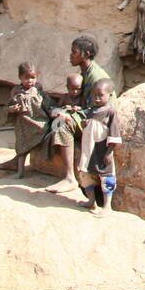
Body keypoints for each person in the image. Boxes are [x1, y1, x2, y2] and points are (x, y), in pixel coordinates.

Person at [45, 36, 111, 194]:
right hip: (86, 114)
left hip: (99, 122)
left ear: (85, 54)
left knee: (62, 124)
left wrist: (72, 115)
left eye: (74, 52)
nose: (71, 55)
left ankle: (70, 178)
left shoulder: (96, 76)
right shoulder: (84, 73)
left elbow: (101, 108)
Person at [0, 62, 56, 177]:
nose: (30, 81)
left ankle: (15, 165)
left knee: (43, 136)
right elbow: (7, 107)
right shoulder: (17, 92)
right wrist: (12, 109)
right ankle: (20, 171)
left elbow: (49, 105)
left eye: (33, 78)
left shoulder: (38, 91)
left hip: (39, 124)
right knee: (21, 147)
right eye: (26, 78)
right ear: (20, 77)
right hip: (23, 126)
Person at [76, 77, 121, 216]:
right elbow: (87, 124)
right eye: (94, 95)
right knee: (85, 174)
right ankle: (91, 201)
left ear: (110, 94)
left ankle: (107, 206)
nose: (96, 98)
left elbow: (114, 134)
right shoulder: (91, 110)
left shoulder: (111, 112)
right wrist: (85, 123)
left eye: (100, 95)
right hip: (88, 151)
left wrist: (109, 152)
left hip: (102, 150)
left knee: (106, 177)